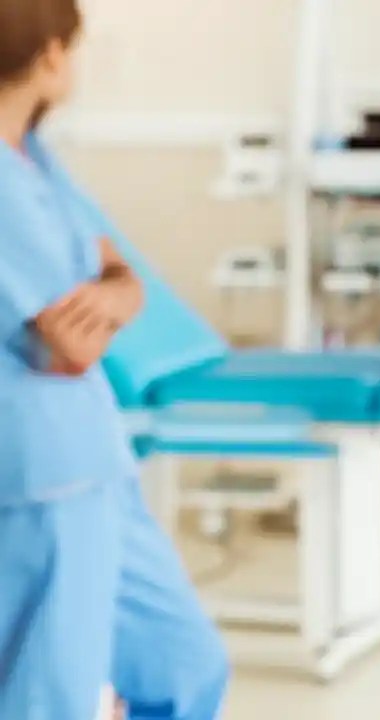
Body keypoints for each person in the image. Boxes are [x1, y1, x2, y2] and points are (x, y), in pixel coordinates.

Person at [0, 2, 228, 718]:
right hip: (41, 476)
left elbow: (122, 276)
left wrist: (115, 293)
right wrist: (110, 299)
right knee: (50, 699)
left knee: (188, 667)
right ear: (51, 57)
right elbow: (77, 342)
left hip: (99, 462)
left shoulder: (36, 158)